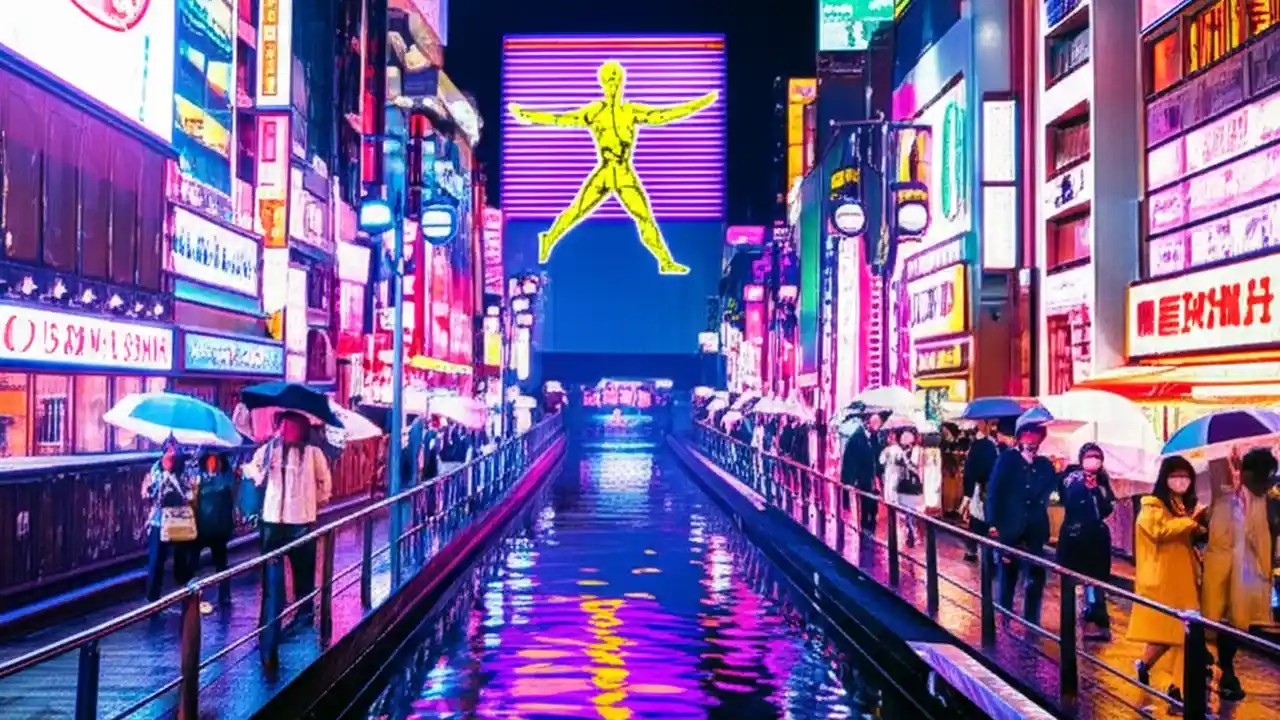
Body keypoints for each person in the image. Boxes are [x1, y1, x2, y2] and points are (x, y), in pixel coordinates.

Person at [244, 411, 333, 650]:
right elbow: (253, 472)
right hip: (272, 521)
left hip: (301, 522)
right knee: (271, 576)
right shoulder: (269, 450)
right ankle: (270, 622)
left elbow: (325, 483)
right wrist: (257, 471)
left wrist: (315, 503)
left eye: (292, 427)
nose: (287, 431)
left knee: (303, 573)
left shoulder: (313, 454)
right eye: (285, 426)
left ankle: (303, 616)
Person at [1130, 454, 1207, 712]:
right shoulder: (1152, 506)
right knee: (1179, 635)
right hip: (1165, 580)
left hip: (1184, 578)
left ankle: (1148, 667)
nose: (1181, 481)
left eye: (1186, 476)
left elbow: (1184, 534)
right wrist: (1190, 521)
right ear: (1165, 478)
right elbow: (1159, 532)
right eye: (1176, 475)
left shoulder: (1181, 506)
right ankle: (1179, 689)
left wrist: (1197, 526)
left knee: (1177, 634)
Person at [1202, 448, 1275, 701]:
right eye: (1266, 476)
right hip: (1224, 571)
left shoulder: (1264, 500)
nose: (1268, 483)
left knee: (1237, 624)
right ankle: (1220, 670)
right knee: (1219, 621)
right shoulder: (1225, 496)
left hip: (1248, 574)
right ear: (1248, 474)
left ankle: (1224, 669)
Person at [986, 407, 1057, 625]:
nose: (1032, 439)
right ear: (1019, 437)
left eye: (1036, 434)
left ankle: (1032, 623)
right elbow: (995, 491)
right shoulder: (1007, 459)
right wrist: (993, 524)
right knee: (1008, 575)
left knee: (1035, 578)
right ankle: (1004, 620)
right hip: (1010, 527)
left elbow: (1052, 491)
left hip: (1035, 529)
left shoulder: (1044, 464)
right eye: (1028, 434)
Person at [1056, 442, 1117, 638]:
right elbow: (1066, 499)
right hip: (1074, 535)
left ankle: (1095, 620)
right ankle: (1070, 626)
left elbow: (1107, 507)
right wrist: (1083, 487)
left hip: (1096, 537)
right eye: (1089, 456)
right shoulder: (1071, 476)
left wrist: (1096, 492)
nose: (1093, 460)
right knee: (1072, 580)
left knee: (1097, 580)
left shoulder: (1103, 479)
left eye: (1097, 456)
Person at [142, 442, 195, 601]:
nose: (171, 455)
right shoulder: (154, 471)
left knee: (182, 560)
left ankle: (185, 595)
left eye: (174, 452)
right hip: (159, 521)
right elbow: (148, 495)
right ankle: (153, 599)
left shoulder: (183, 471)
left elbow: (189, 494)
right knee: (156, 561)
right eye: (168, 452)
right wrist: (157, 487)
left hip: (179, 520)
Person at [186, 450, 236, 609]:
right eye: (210, 460)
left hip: (219, 528)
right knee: (192, 562)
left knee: (221, 564)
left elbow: (230, 497)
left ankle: (224, 595)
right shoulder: (199, 477)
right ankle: (189, 594)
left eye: (216, 461)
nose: (213, 464)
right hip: (201, 527)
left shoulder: (226, 478)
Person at [960, 419, 1005, 562]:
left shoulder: (982, 446)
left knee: (979, 520)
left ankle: (975, 550)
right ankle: (981, 551)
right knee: (983, 519)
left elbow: (969, 471)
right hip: (988, 489)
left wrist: (967, 495)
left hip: (985, 489)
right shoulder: (994, 447)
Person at [840, 412, 884, 533]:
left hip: (873, 477)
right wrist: (849, 480)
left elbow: (877, 455)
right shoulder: (856, 438)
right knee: (865, 503)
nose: (877, 428)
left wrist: (879, 474)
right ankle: (864, 528)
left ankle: (871, 525)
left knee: (873, 504)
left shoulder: (874, 438)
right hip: (863, 477)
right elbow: (850, 460)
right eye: (875, 425)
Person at [882, 427, 924, 547]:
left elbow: (915, 468)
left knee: (910, 512)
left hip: (910, 486)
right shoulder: (902, 451)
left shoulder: (916, 451)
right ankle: (910, 534)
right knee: (907, 513)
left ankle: (913, 535)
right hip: (905, 486)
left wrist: (905, 463)